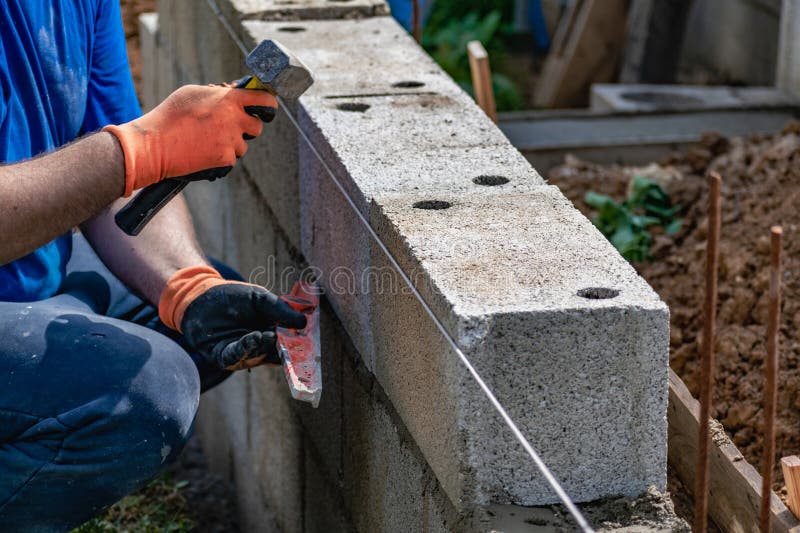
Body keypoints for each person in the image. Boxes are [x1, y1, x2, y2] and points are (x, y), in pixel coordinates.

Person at [0, 2, 306, 530]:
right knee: (149, 390)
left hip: (27, 274)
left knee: (202, 322)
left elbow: (111, 170)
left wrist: (188, 288)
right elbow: (122, 156)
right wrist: (138, 150)